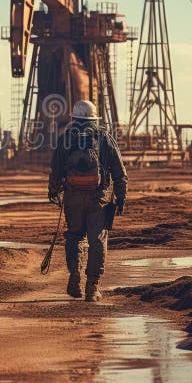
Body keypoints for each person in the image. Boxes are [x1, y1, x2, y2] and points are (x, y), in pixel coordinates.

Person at [48, 100, 127, 302]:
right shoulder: (103, 137)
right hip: (98, 199)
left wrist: (54, 191)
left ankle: (74, 274)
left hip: (72, 197)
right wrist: (120, 197)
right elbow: (119, 172)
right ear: (94, 118)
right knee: (97, 240)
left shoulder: (66, 138)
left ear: (75, 118)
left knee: (74, 236)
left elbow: (55, 169)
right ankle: (92, 287)